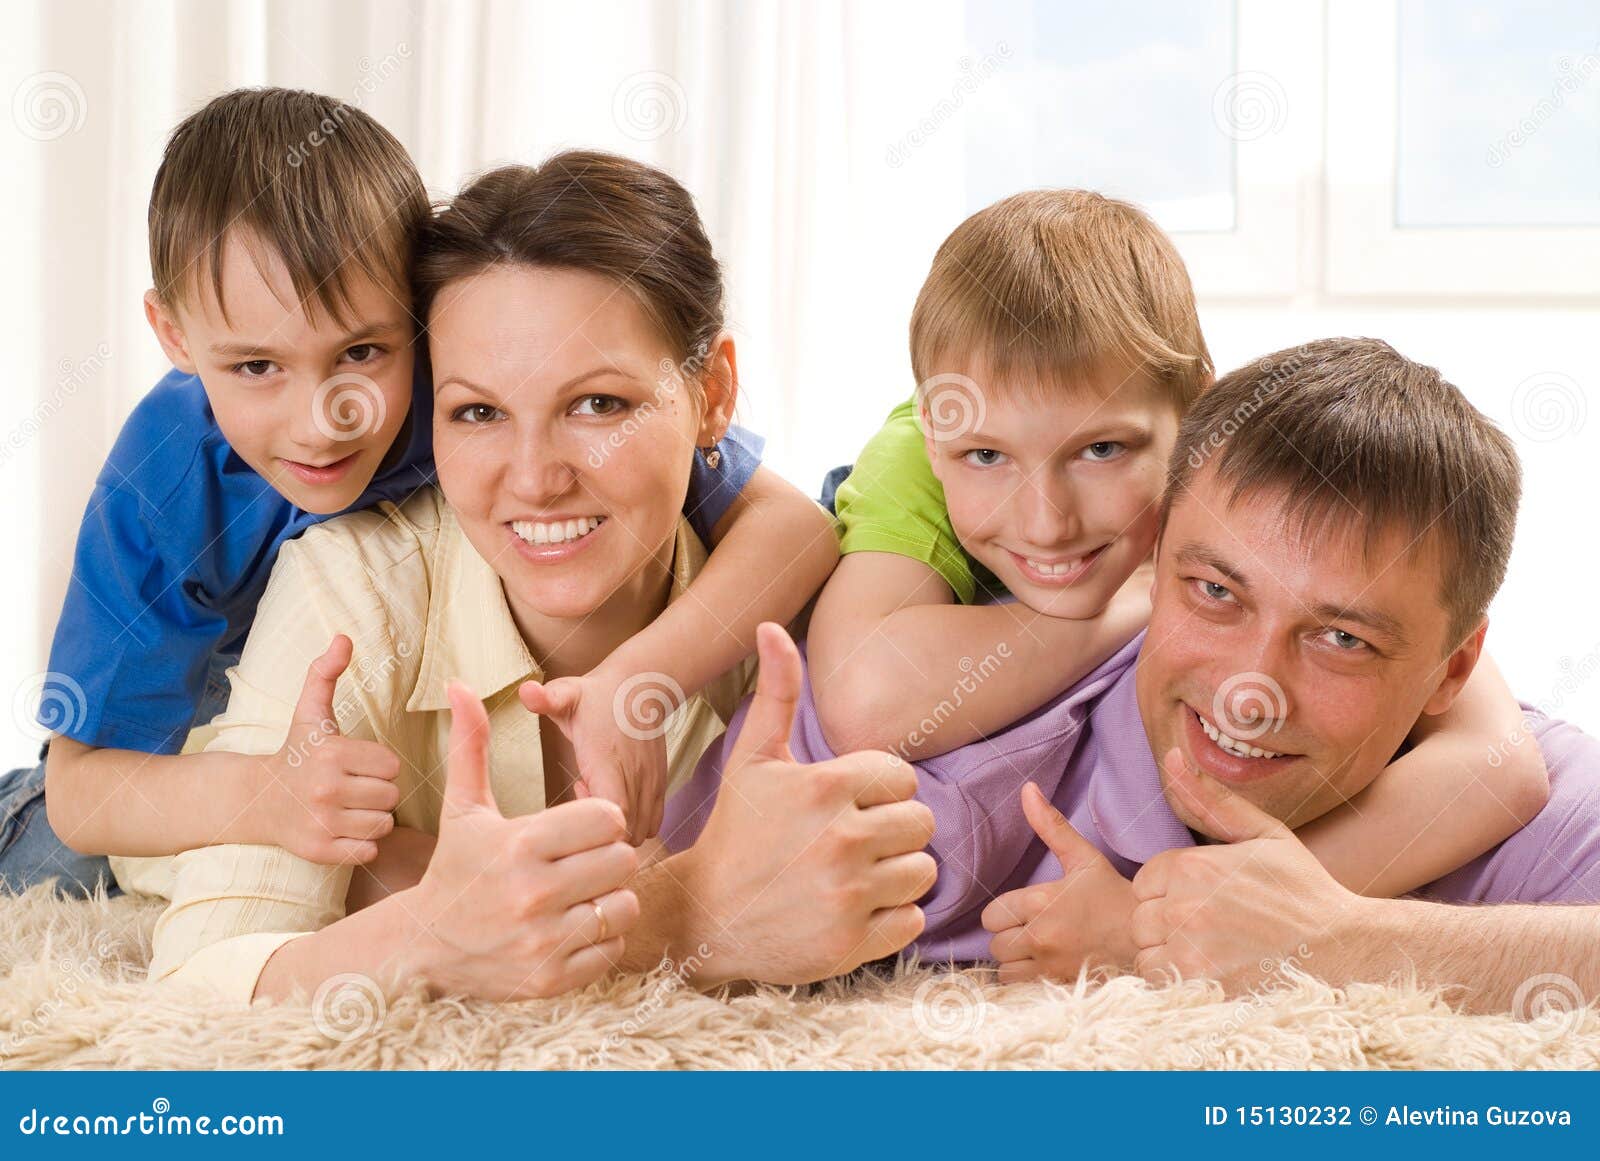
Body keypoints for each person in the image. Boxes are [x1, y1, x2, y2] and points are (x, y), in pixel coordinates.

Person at [0, 89, 835, 901]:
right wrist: (267, 793)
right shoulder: (163, 490)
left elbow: (793, 526)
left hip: (370, 734)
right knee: (53, 861)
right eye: (257, 366)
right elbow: (84, 790)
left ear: (420, 316)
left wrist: (641, 675)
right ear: (174, 336)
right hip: (187, 754)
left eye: (363, 351)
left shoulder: (488, 381)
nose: (323, 421)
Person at [137, 152, 932, 1004]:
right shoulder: (350, 595)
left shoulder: (808, 619)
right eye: (478, 412)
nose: (534, 478)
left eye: (598, 405)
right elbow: (190, 990)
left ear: (713, 394)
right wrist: (673, 912)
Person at [805, 191, 1545, 897]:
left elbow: (1500, 764)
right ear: (936, 437)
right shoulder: (912, 453)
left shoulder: (1231, 465)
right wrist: (1140, 596)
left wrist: (1221, 910)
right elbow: (869, 703)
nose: (1046, 523)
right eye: (986, 457)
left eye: (1101, 450)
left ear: (1199, 409)